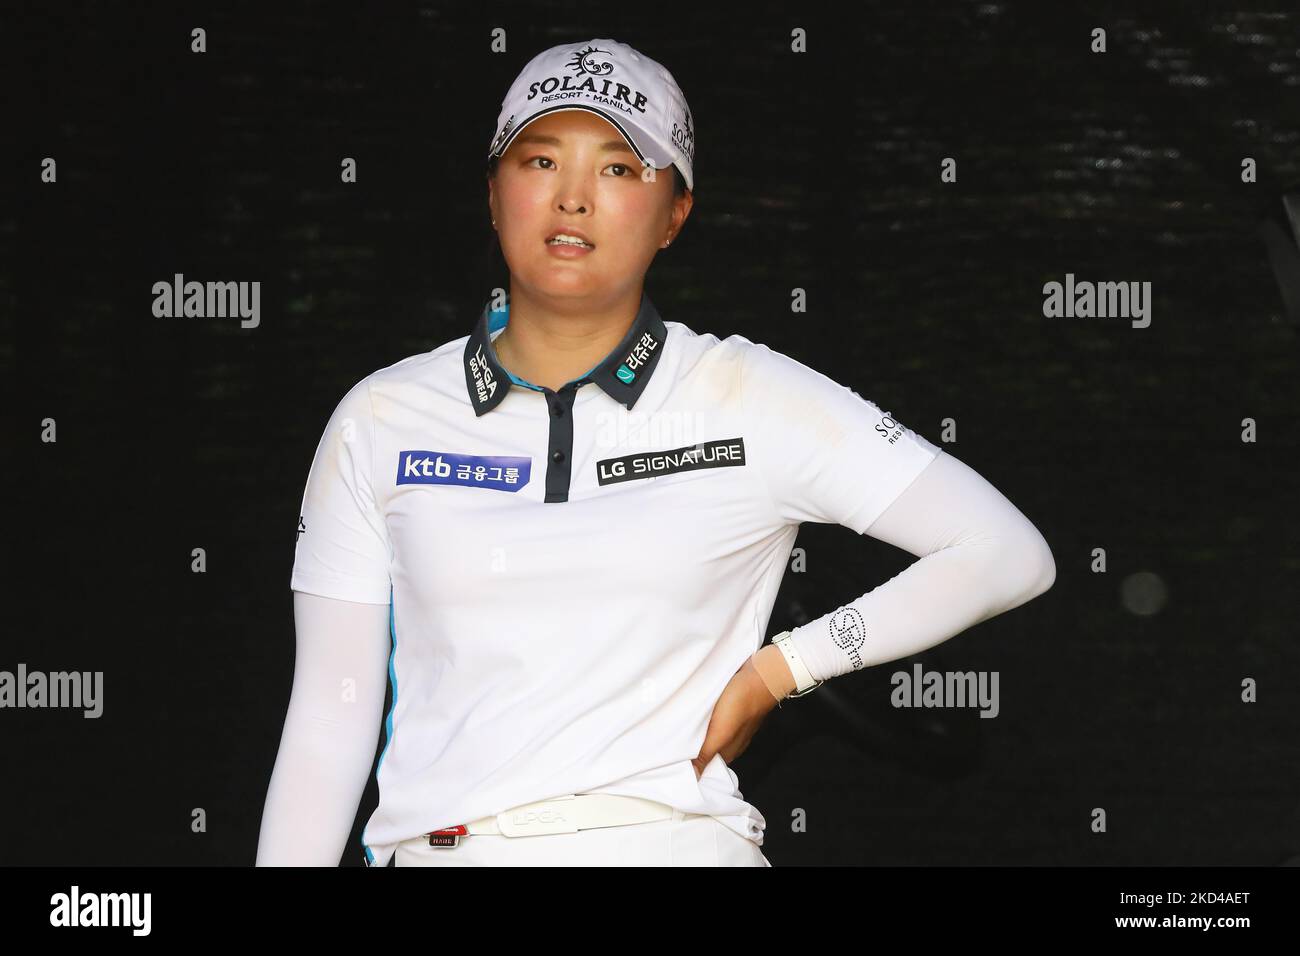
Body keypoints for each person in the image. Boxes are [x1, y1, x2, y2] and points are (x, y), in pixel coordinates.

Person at [255, 37, 1056, 868]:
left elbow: (1005, 553)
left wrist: (784, 669)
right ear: (493, 196)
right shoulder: (382, 417)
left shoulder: (749, 393)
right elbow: (328, 718)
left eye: (619, 169)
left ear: (675, 214)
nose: (572, 198)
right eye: (538, 160)